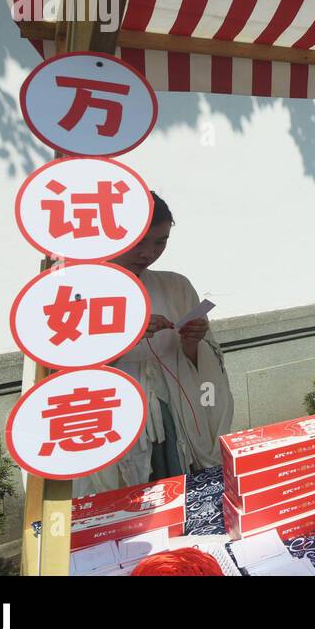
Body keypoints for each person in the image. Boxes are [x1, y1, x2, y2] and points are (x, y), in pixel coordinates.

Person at [73, 192, 234, 497]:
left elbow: (205, 368)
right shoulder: (80, 291)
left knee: (178, 490)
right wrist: (122, 337)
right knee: (125, 502)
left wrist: (192, 343)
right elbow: (70, 373)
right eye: (138, 242)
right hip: (116, 420)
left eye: (160, 242)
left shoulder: (176, 285)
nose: (148, 253)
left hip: (175, 416)